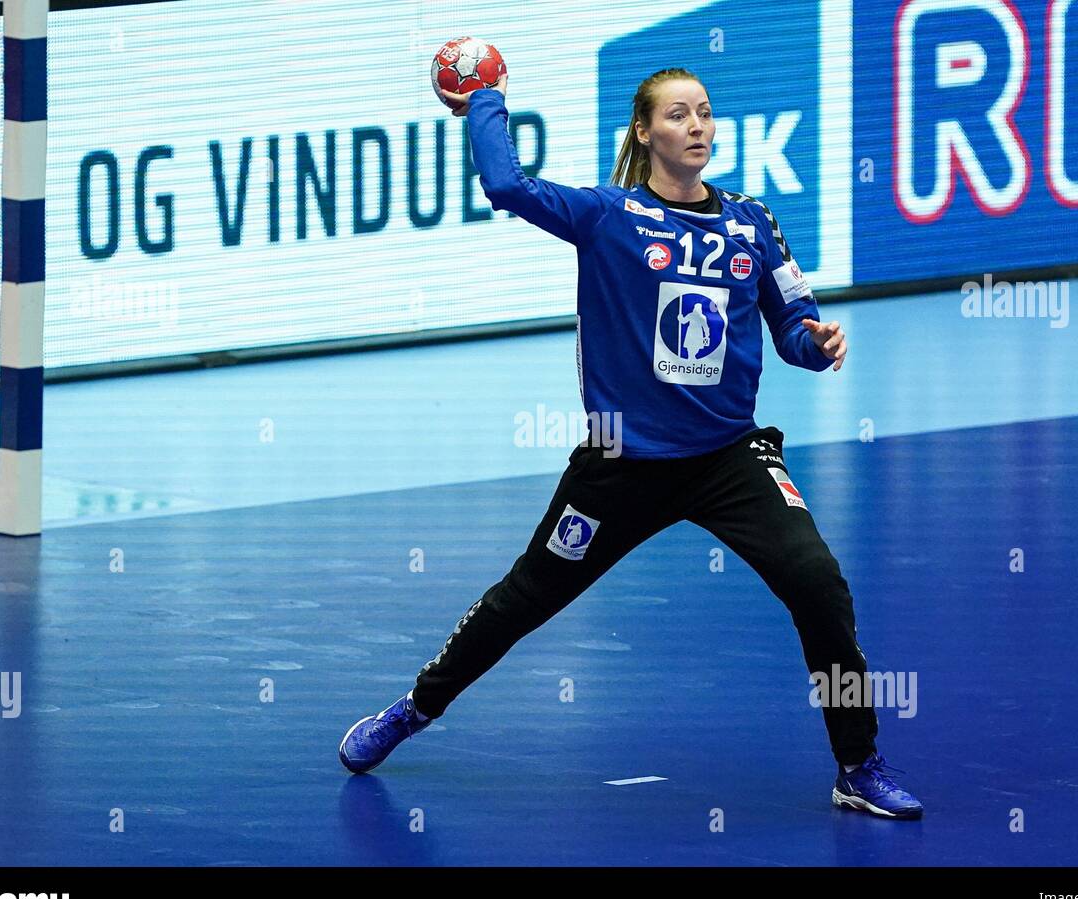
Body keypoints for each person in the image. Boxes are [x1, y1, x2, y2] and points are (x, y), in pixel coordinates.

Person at [340, 67, 923, 820]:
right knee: (525, 599)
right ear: (645, 133)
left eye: (706, 114)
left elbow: (792, 331)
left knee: (818, 583)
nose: (698, 126)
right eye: (679, 116)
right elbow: (508, 186)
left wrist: (816, 343)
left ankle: (858, 764)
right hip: (623, 462)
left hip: (728, 457)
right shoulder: (606, 216)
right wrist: (484, 99)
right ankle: (416, 708)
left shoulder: (751, 221)